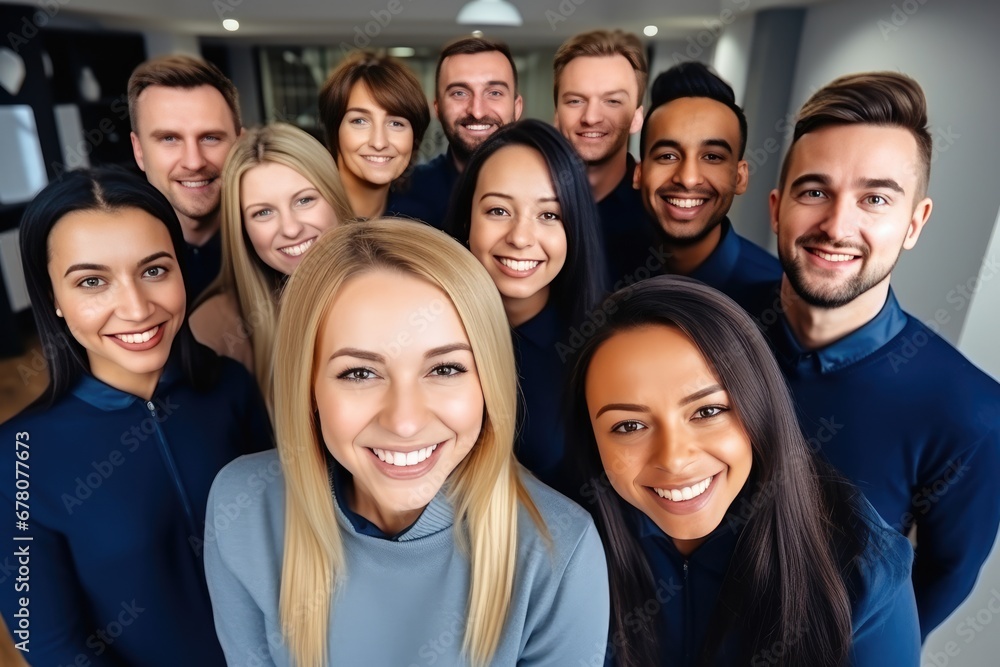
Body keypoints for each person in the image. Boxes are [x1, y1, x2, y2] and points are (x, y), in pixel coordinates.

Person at [204, 219, 609, 666]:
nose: (404, 422)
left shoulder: (560, 553)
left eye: (445, 369)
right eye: (360, 373)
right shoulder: (241, 507)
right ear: (308, 389)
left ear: (489, 381)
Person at [749, 70, 1000, 640]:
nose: (838, 225)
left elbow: (942, 578)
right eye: (814, 192)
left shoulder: (970, 412)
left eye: (875, 199)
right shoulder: (709, 332)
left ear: (914, 222)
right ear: (775, 207)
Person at [568, 275, 920, 666]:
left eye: (707, 411)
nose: (674, 459)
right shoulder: (560, 547)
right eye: (629, 426)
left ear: (759, 406)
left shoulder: (864, 566)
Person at [0, 167, 271, 666]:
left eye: (153, 270)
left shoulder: (231, 387)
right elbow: (48, 643)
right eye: (92, 281)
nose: (135, 307)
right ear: (54, 299)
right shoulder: (17, 456)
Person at [445, 119, 607, 493]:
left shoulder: (597, 352)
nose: (520, 237)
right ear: (468, 217)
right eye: (498, 211)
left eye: (549, 215)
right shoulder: (424, 328)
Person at [189, 123, 354, 404]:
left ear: (334, 198)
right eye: (263, 212)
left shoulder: (387, 286)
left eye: (304, 200)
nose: (290, 229)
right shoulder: (215, 327)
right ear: (242, 228)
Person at [636, 62, 780, 308]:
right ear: (638, 174)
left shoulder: (776, 296)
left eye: (712, 157)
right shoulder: (601, 270)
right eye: (667, 156)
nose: (688, 178)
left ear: (739, 177)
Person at [128, 54, 243, 299]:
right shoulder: (116, 253)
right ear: (139, 150)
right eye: (169, 138)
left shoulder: (278, 243)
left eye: (210, 137)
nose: (194, 162)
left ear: (240, 144)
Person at [553, 29, 659, 283]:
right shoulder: (525, 197)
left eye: (612, 101)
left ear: (636, 118)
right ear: (557, 115)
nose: (591, 117)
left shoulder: (658, 211)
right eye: (576, 101)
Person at [388, 36, 523, 228]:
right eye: (459, 93)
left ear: (516, 108)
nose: (477, 111)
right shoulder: (404, 198)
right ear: (438, 108)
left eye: (494, 93)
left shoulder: (551, 188)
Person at [318, 50, 430, 219]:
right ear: (334, 130)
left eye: (396, 123)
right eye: (360, 121)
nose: (379, 143)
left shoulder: (421, 222)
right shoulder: (307, 223)